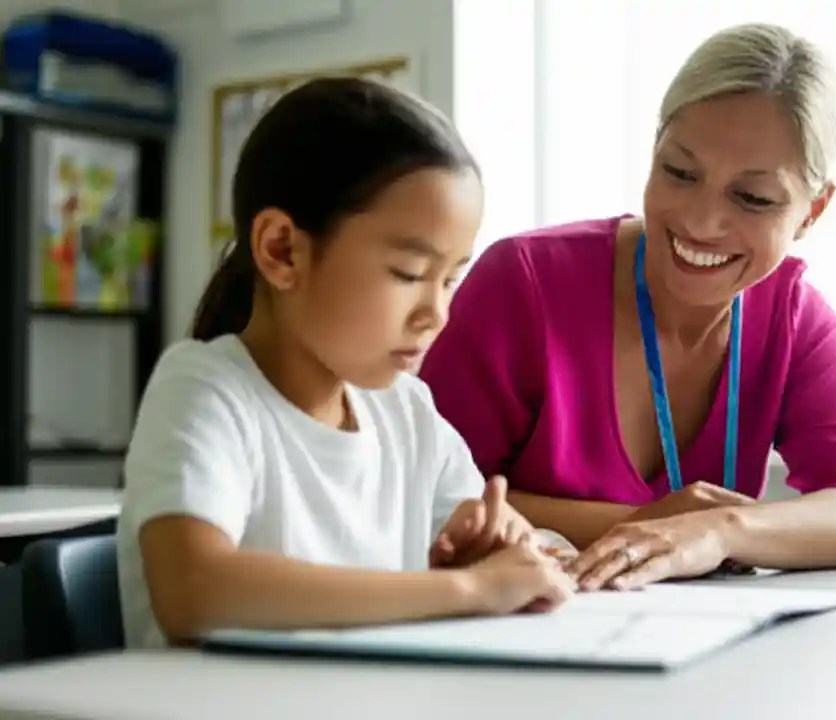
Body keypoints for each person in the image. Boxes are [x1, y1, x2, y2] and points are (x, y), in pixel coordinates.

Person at [421, 23, 836, 592]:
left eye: (752, 198)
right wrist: (649, 528)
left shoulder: (793, 321)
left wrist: (722, 530)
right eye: (680, 172)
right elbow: (420, 492)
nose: (701, 222)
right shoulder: (523, 284)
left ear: (811, 211)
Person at [117, 78, 574, 649]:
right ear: (282, 250)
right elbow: (194, 591)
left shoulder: (406, 413)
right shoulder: (205, 390)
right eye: (409, 274)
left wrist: (506, 547)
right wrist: (466, 589)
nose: (437, 315)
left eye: (450, 279)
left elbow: (507, 551)